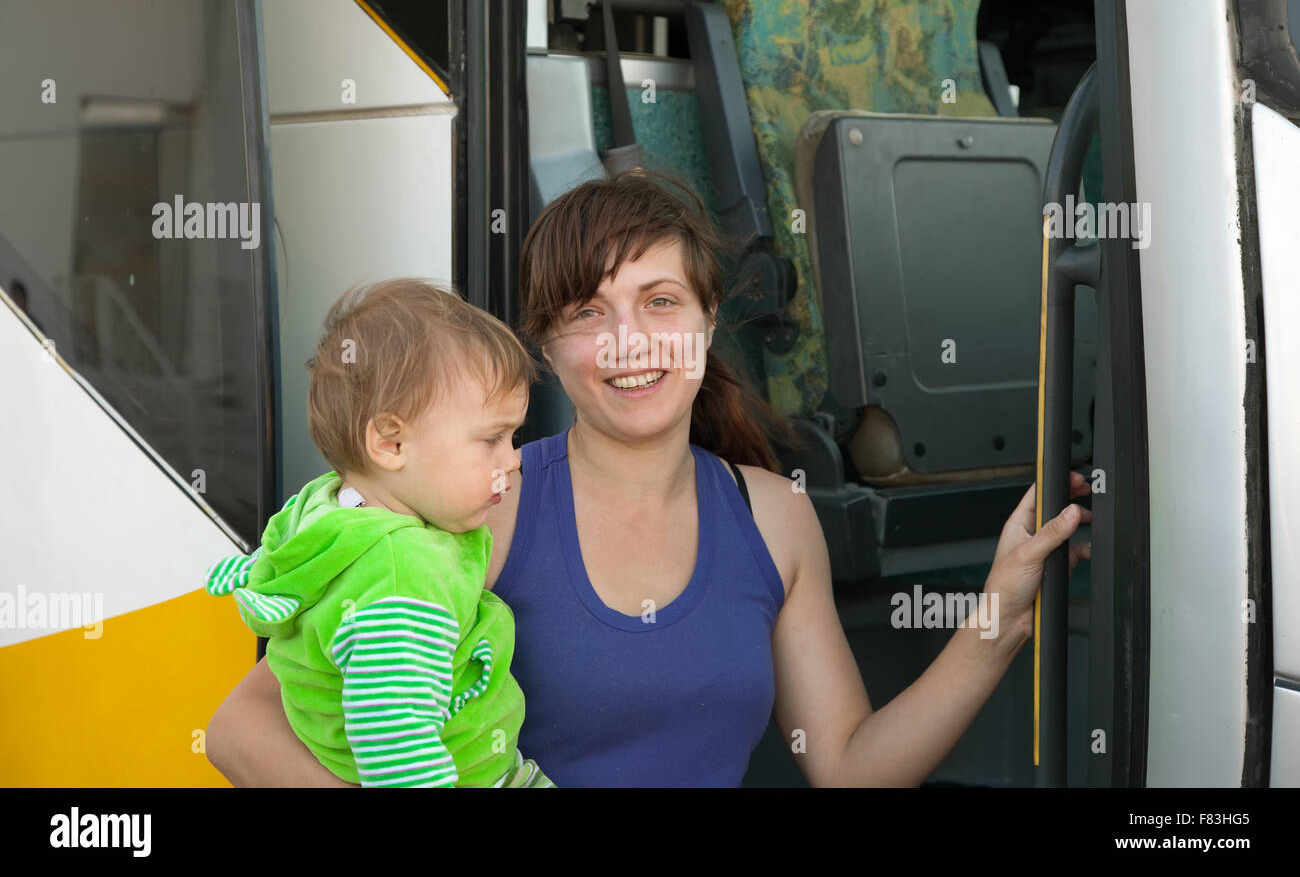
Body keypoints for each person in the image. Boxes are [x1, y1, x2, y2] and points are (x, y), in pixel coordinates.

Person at [206, 172, 1090, 787]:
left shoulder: (775, 517)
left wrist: (1002, 614)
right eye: (588, 312)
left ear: (709, 320)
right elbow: (242, 729)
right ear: (546, 351)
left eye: (660, 302)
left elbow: (851, 767)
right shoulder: (482, 509)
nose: (629, 342)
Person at [204, 279, 553, 787]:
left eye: (514, 437)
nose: (512, 459)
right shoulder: (402, 573)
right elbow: (394, 739)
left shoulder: (321, 512)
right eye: (492, 439)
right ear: (390, 445)